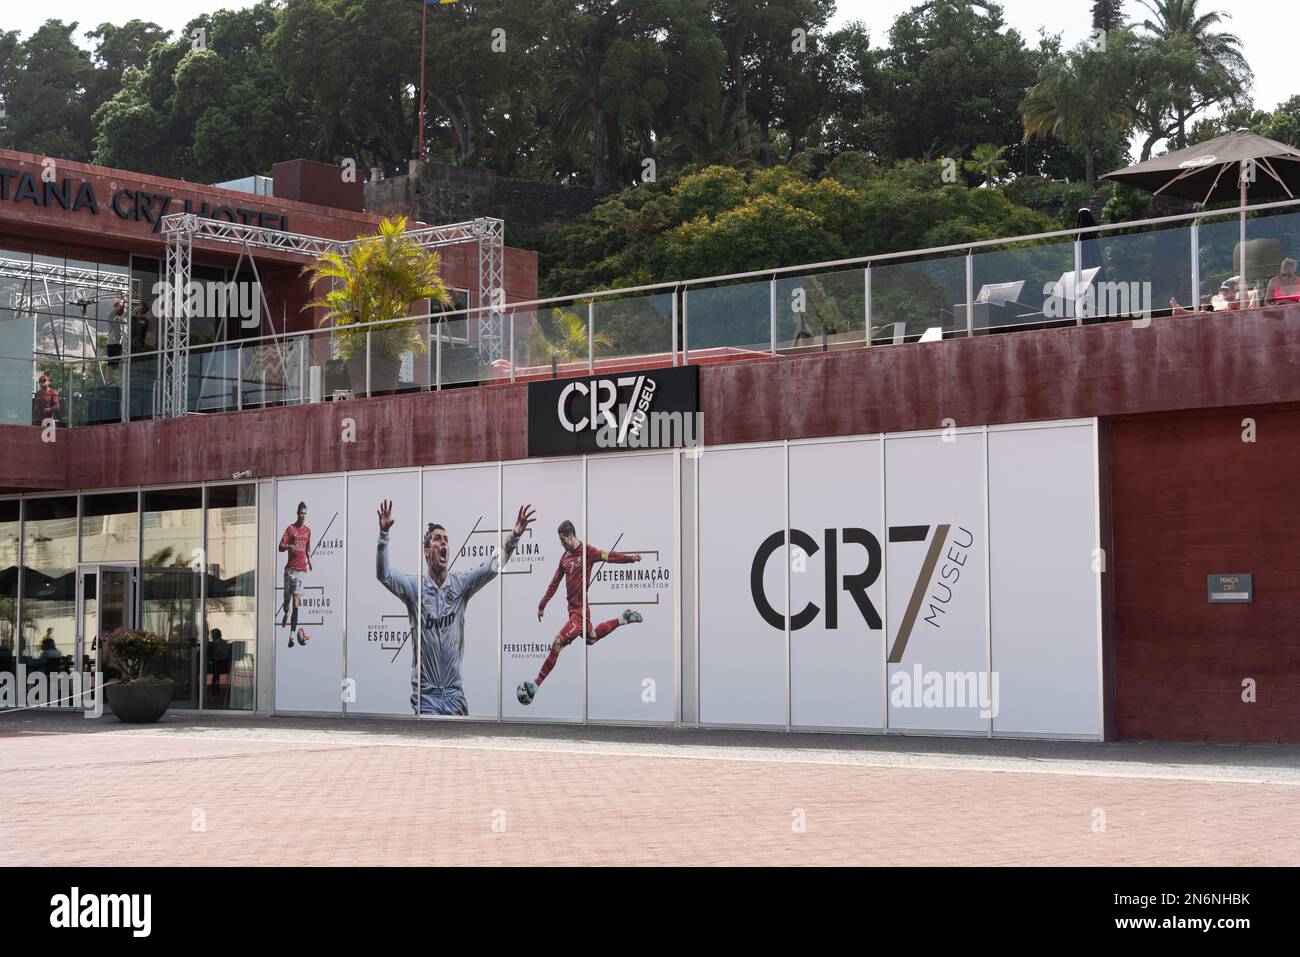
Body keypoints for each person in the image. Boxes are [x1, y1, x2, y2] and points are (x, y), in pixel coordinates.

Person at [376, 498, 536, 716]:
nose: (444, 544)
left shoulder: (460, 585)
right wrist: (384, 536)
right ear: (426, 551)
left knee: (459, 749)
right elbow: (384, 575)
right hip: (426, 697)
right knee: (431, 749)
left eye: (446, 540)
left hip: (454, 695)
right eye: (438, 540)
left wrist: (514, 536)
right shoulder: (415, 589)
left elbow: (492, 567)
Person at [518, 521, 643, 706]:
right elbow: (554, 583)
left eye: (563, 540)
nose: (562, 544)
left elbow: (609, 556)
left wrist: (630, 558)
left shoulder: (588, 552)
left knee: (557, 642)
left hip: (580, 612)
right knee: (591, 638)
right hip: (572, 611)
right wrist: (542, 604)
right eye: (560, 541)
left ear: (571, 536)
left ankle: (535, 684)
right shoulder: (564, 559)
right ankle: (622, 619)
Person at [278, 501, 312, 648]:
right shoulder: (290, 529)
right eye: (301, 513)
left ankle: (292, 636)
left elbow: (307, 549)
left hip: (300, 572)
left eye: (305, 513)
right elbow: (280, 547)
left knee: (296, 602)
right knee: (287, 603)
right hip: (289, 571)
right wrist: (287, 546)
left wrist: (309, 561)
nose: (303, 516)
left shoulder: (308, 531)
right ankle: (285, 613)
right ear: (297, 513)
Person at [1170, 276, 1243, 316]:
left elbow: (1240, 278)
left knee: (1204, 314)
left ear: (1233, 291)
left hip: (1227, 323)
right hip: (1219, 321)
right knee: (1203, 313)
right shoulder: (1222, 301)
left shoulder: (1237, 301)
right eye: (1222, 289)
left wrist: (1229, 280)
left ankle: (1181, 312)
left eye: (1226, 290)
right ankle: (1180, 312)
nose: (1223, 292)